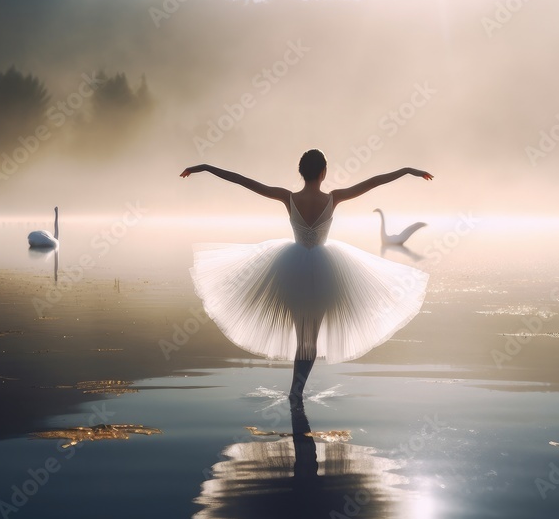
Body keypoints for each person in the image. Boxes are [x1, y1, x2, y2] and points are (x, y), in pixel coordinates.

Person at [180, 149, 432, 401]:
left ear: (301, 172)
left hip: (291, 270)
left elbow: (243, 181)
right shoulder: (334, 198)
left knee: (302, 335)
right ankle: (296, 392)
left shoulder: (287, 197)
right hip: (325, 272)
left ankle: (295, 392)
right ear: (324, 173)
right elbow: (374, 182)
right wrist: (407, 171)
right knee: (311, 336)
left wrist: (205, 167)